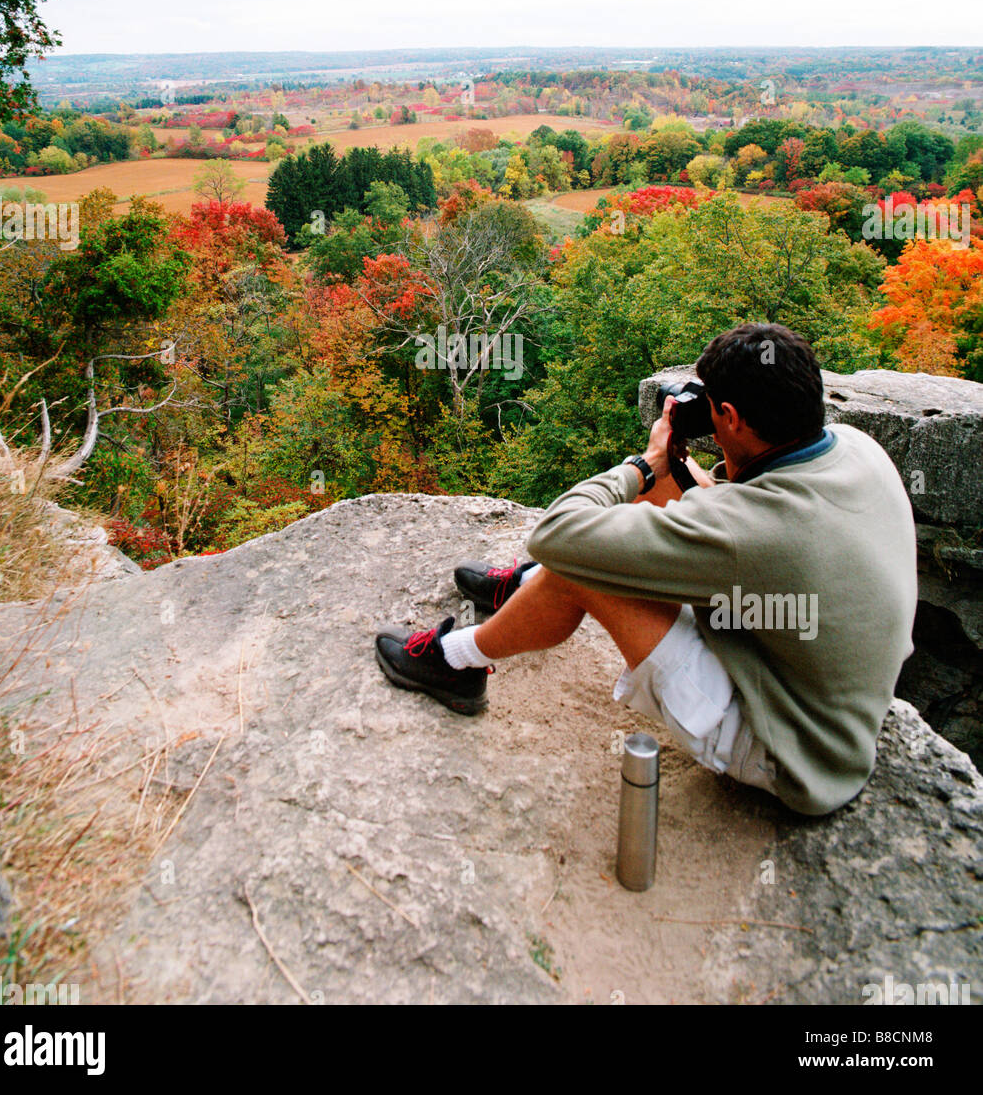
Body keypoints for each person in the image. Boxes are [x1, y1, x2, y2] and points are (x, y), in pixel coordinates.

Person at [374, 323, 918, 816]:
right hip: (807, 675)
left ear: (728, 416)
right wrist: (674, 471)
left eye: (712, 403)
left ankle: (456, 663)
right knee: (666, 489)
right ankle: (526, 588)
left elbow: (556, 534)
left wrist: (643, 465)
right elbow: (743, 514)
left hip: (794, 752)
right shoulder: (854, 447)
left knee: (581, 566)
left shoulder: (750, 531)